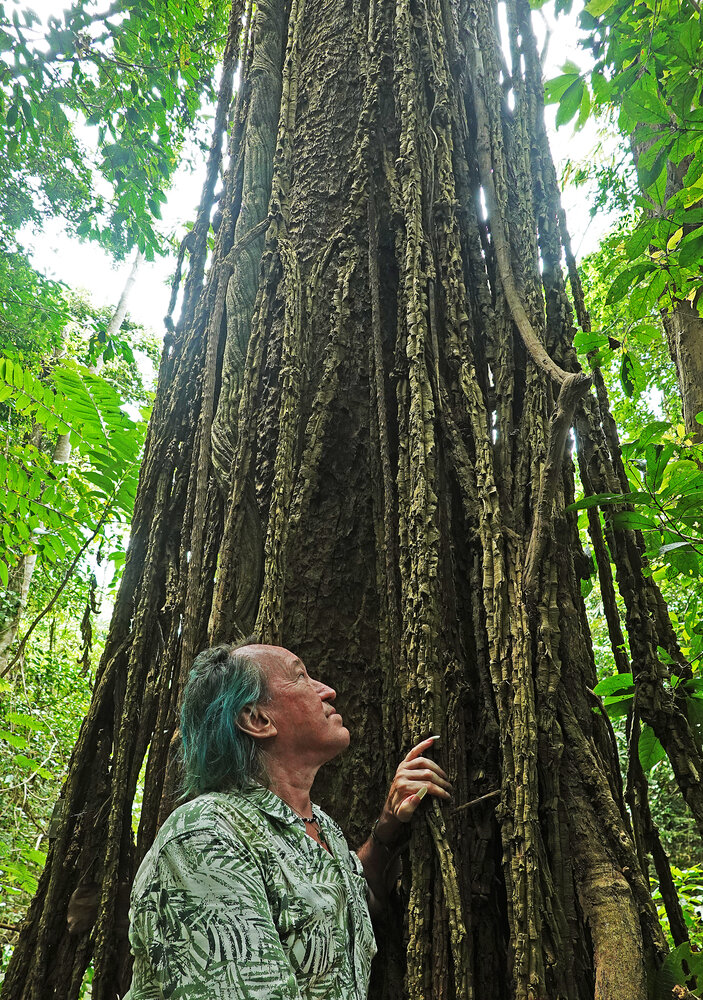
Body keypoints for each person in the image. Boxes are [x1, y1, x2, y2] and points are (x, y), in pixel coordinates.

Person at [125, 642, 452, 1000]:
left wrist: (388, 828)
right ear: (258, 720)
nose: (328, 690)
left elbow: (350, 904)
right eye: (301, 676)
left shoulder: (320, 827)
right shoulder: (205, 834)